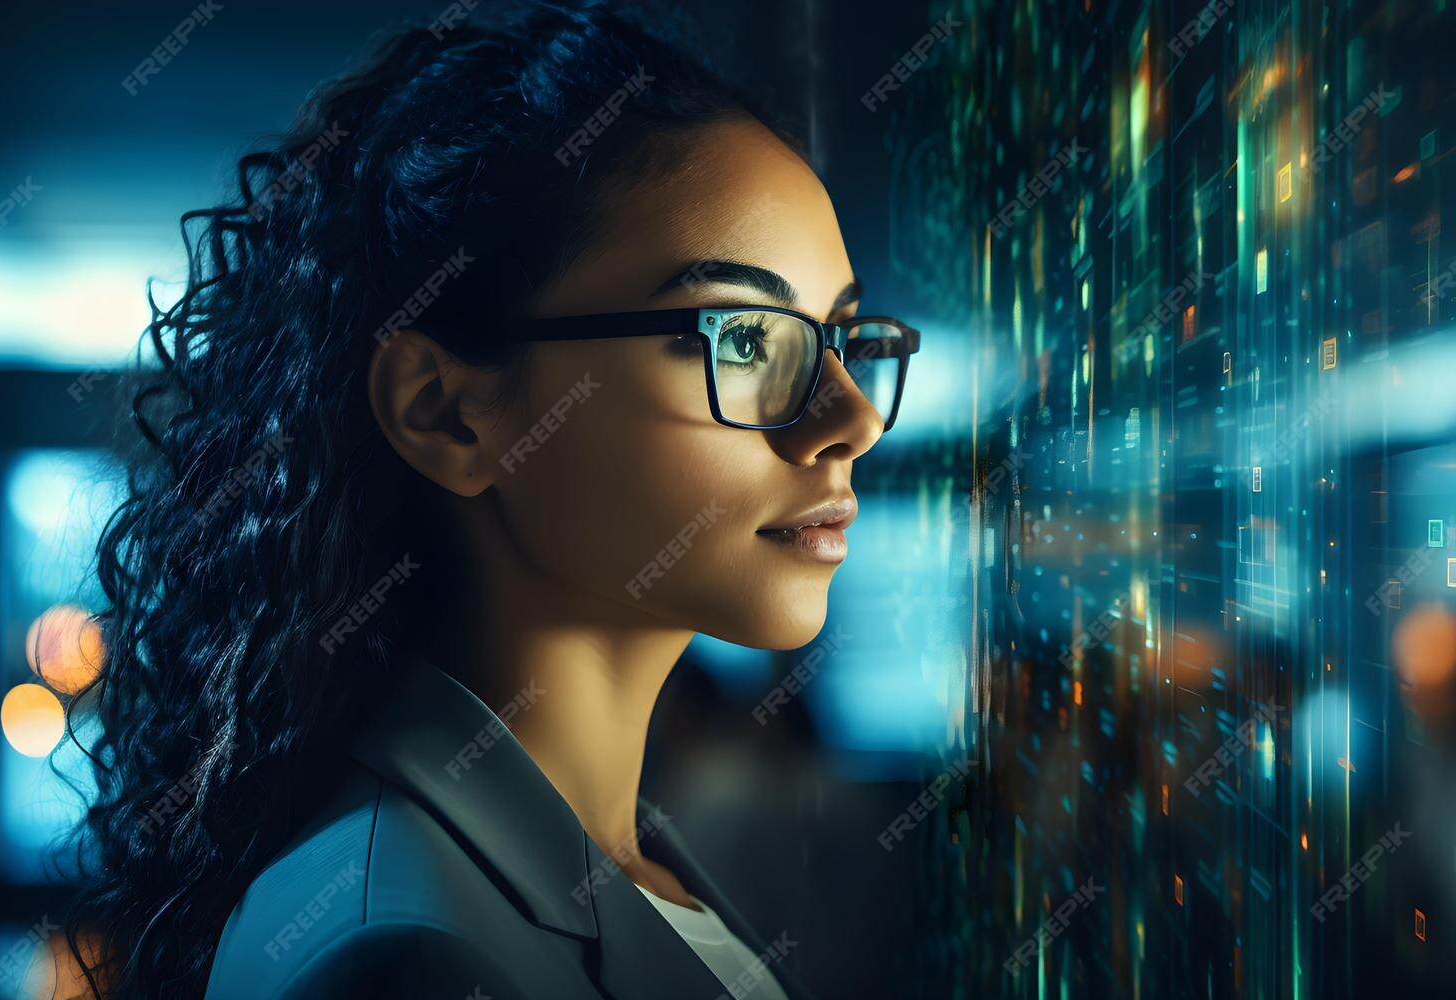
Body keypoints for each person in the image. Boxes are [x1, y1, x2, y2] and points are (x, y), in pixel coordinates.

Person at [64, 2, 915, 996]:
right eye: (746, 338)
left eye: (843, 340)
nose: (853, 417)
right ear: (446, 412)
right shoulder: (409, 953)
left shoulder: (620, 864)